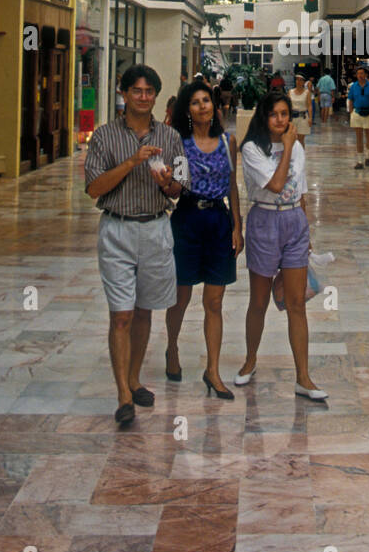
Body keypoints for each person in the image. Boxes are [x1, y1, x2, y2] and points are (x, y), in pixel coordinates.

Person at [84, 64, 184, 426]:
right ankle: (123, 396)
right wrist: (131, 161)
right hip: (117, 230)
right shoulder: (104, 137)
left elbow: (180, 187)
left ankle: (135, 378)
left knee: (145, 310)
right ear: (123, 94)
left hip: (156, 229)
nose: (143, 98)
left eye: (149, 92)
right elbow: (94, 188)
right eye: (136, 91)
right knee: (121, 314)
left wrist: (167, 182)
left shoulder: (171, 138)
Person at [236, 90, 327, 400]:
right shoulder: (251, 148)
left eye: (285, 114)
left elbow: (297, 190)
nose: (280, 119)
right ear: (264, 115)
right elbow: (275, 185)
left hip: (293, 223)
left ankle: (303, 376)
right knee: (259, 302)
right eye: (274, 114)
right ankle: (250, 360)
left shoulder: (297, 147)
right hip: (265, 222)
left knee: (296, 304)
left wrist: (305, 228)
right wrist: (288, 147)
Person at [164, 80, 244, 397]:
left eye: (206, 101)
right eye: (196, 102)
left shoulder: (228, 141)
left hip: (218, 222)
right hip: (187, 219)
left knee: (214, 301)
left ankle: (212, 369)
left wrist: (237, 226)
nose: (203, 106)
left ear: (215, 105)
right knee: (181, 297)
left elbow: (233, 186)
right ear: (188, 109)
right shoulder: (180, 144)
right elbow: (178, 186)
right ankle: (172, 348)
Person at [348, 65, 369, 169]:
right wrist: (351, 112)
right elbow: (350, 99)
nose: (360, 75)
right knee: (359, 137)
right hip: (357, 113)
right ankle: (360, 161)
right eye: (358, 74)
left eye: (362, 73)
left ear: (366, 75)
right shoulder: (353, 86)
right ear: (356, 75)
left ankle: (368, 156)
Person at [290, 72, 313, 143]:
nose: (298, 82)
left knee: (300, 140)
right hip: (292, 118)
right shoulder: (290, 92)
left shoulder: (307, 93)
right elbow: (288, 106)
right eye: (297, 79)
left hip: (303, 118)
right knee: (292, 139)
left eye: (300, 80)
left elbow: (309, 106)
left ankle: (301, 153)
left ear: (303, 82)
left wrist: (310, 118)